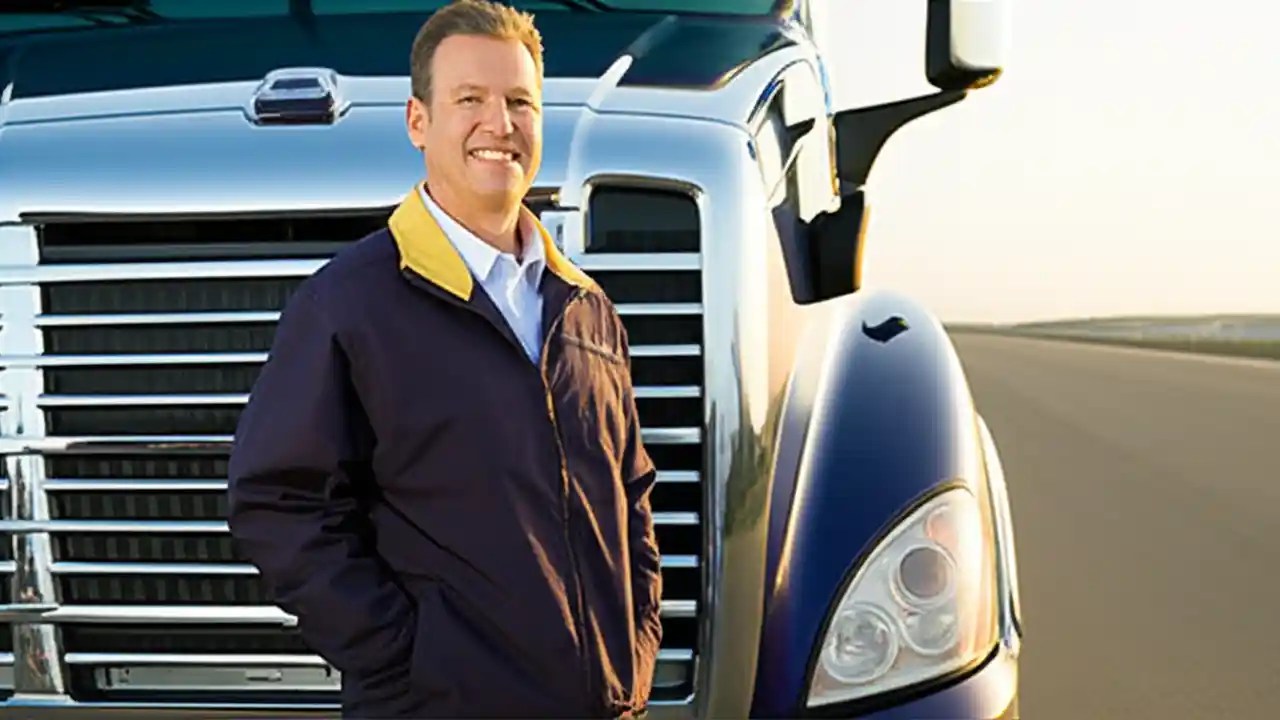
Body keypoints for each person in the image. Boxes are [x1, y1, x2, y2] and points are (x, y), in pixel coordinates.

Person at [225, 1, 663, 717]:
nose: (500, 124)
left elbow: (631, 499)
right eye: (470, 100)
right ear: (418, 122)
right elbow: (278, 504)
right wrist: (408, 666)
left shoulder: (586, 309)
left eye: (520, 101)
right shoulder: (350, 305)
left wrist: (635, 652)